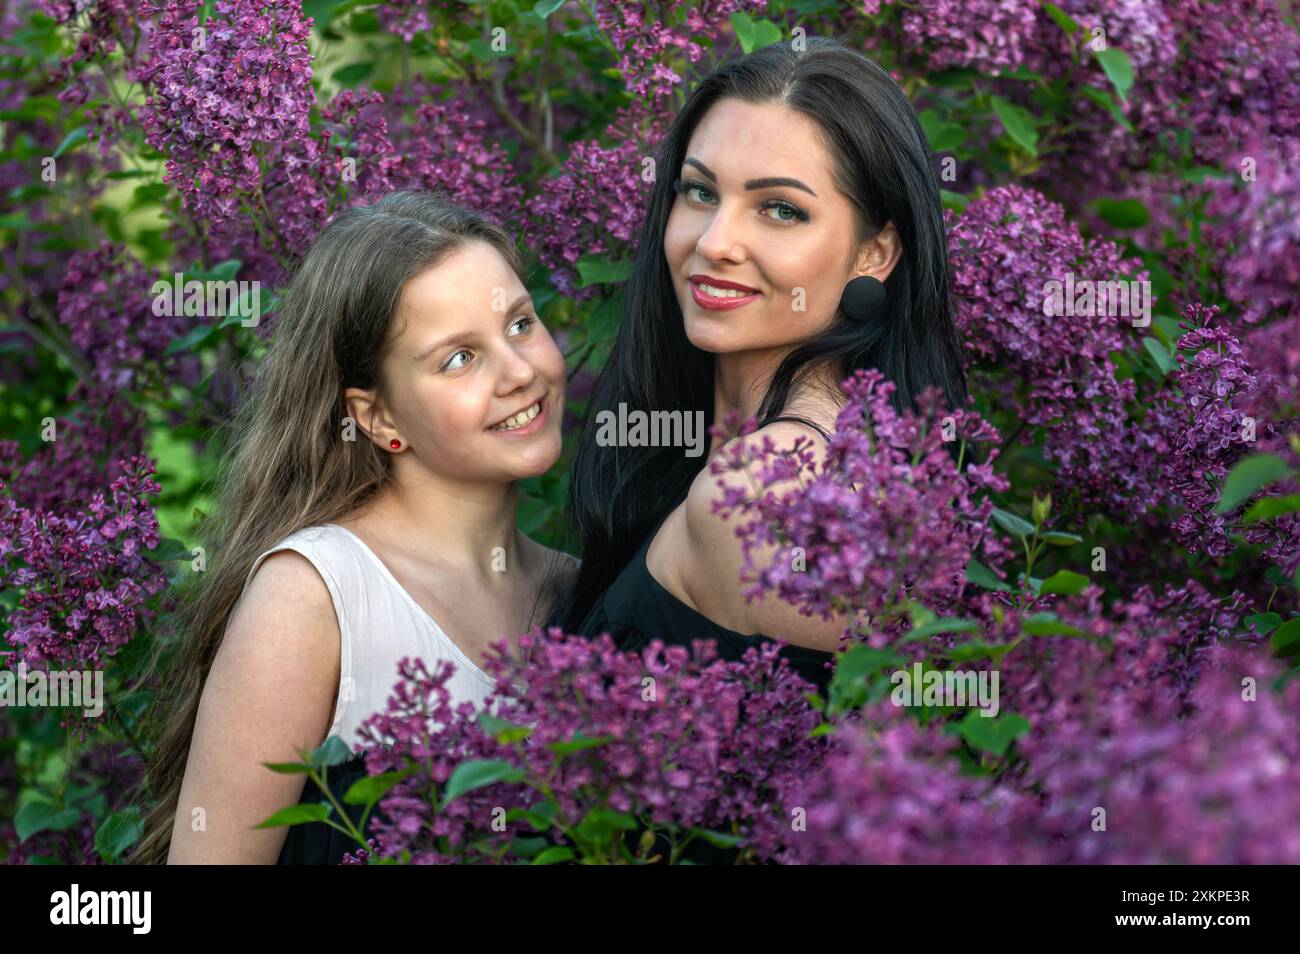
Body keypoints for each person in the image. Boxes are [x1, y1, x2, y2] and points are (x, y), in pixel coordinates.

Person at [133, 191, 574, 864]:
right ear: (377, 418)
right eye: (459, 358)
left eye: (519, 324)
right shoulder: (316, 596)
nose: (520, 372)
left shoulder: (581, 588)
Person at [551, 35, 972, 703]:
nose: (715, 242)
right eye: (699, 192)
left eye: (781, 209)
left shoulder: (760, 498)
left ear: (877, 251)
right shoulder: (854, 452)